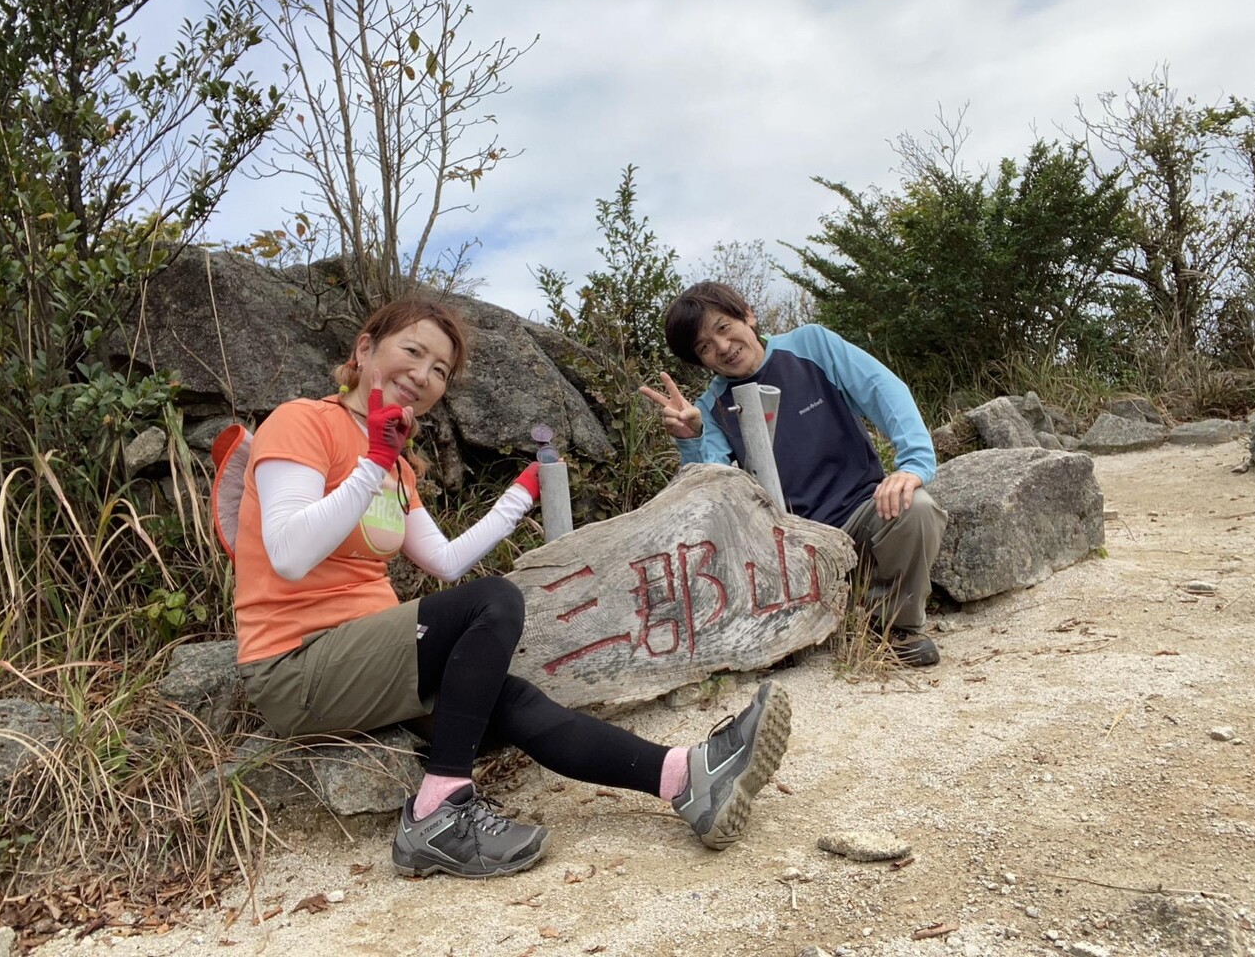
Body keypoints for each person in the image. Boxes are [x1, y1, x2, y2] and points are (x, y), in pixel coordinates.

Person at [231, 296, 791, 879]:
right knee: (494, 601)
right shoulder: (304, 422)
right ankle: (438, 814)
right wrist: (373, 460)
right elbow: (290, 556)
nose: (423, 376)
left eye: (441, 370)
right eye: (413, 352)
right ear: (366, 349)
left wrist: (520, 493)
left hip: (367, 659)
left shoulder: (394, 462)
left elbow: (444, 562)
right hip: (297, 666)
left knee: (511, 698)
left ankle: (687, 778)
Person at [641, 282, 947, 667]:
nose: (721, 347)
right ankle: (797, 627)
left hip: (858, 512)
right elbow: (713, 494)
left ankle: (891, 628)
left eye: (723, 327)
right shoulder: (711, 407)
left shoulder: (811, 346)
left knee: (915, 508)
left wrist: (914, 464)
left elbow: (882, 389)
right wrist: (691, 439)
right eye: (704, 347)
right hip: (787, 547)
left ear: (747, 316)